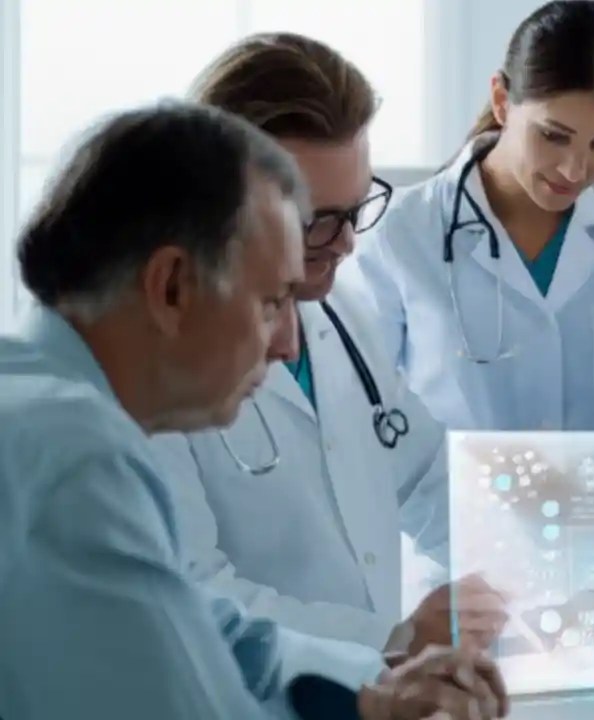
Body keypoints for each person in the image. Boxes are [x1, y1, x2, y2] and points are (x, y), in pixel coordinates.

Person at [0, 102, 508, 719]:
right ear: (172, 287)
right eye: (270, 303)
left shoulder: (37, 399)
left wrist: (371, 699)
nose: (287, 341)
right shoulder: (74, 453)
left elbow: (214, 631)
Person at [145, 32, 503, 657]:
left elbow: (430, 480)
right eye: (315, 220)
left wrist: (561, 563)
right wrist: (388, 641)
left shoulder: (341, 313)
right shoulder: (149, 368)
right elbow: (192, 593)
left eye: (358, 207)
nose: (346, 244)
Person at [346, 0, 594, 433]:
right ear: (503, 101)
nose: (574, 170)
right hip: (447, 503)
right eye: (553, 136)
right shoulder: (400, 234)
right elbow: (358, 415)